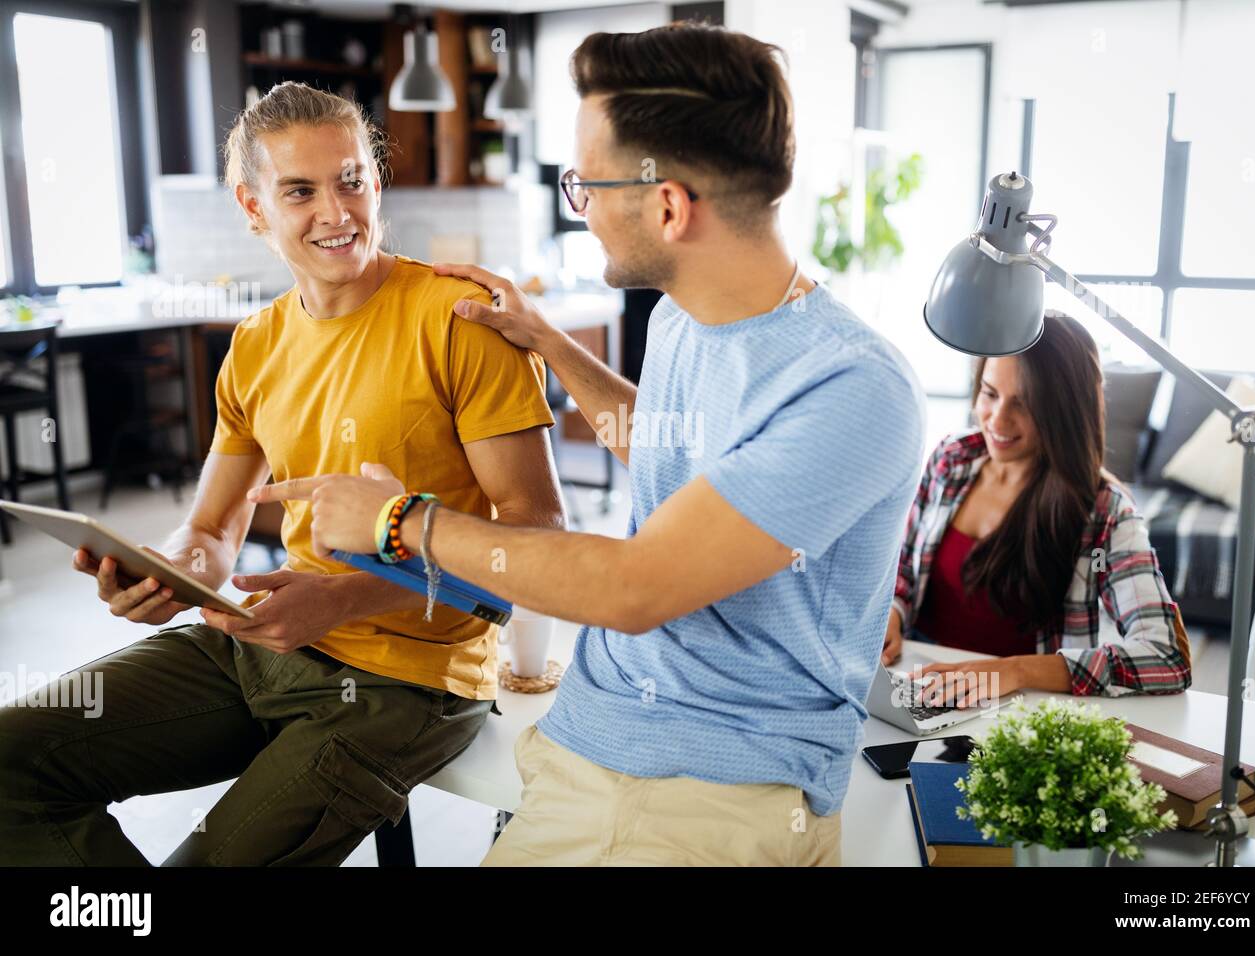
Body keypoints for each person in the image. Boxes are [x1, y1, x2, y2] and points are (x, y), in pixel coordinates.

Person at [253, 24, 926, 866]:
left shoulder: (855, 389)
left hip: (710, 785)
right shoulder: (689, 315)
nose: (580, 209)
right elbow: (672, 452)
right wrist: (551, 345)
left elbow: (634, 588)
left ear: (668, 206)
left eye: (584, 184)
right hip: (592, 733)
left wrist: (400, 522)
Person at [0, 82, 563, 865]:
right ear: (254, 206)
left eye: (352, 180)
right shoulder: (256, 343)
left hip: (407, 683)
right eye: (300, 190)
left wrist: (346, 597)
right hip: (258, 648)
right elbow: (211, 528)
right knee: (11, 759)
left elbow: (537, 536)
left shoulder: (457, 319)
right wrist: (175, 575)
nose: (337, 213)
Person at [885, 310, 1192, 706]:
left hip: (1017, 709)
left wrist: (1016, 669)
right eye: (990, 393)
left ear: (1062, 410)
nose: (998, 419)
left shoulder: (1104, 512)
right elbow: (905, 568)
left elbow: (1166, 657)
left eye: (1024, 404)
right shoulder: (952, 459)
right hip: (918, 681)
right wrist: (892, 614)